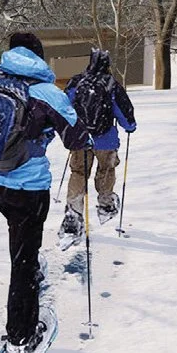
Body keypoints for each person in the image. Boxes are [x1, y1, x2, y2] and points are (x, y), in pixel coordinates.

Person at [0, 32, 91, 353]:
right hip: (29, 189)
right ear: (39, 56)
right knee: (22, 261)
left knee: (19, 239)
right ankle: (21, 338)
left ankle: (30, 265)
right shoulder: (46, 92)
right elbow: (76, 139)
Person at [61, 49, 138, 244]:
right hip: (106, 140)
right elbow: (124, 112)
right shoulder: (112, 85)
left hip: (81, 139)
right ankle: (105, 204)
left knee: (78, 173)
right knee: (106, 169)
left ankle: (73, 212)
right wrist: (130, 126)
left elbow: (64, 107)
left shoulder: (77, 82)